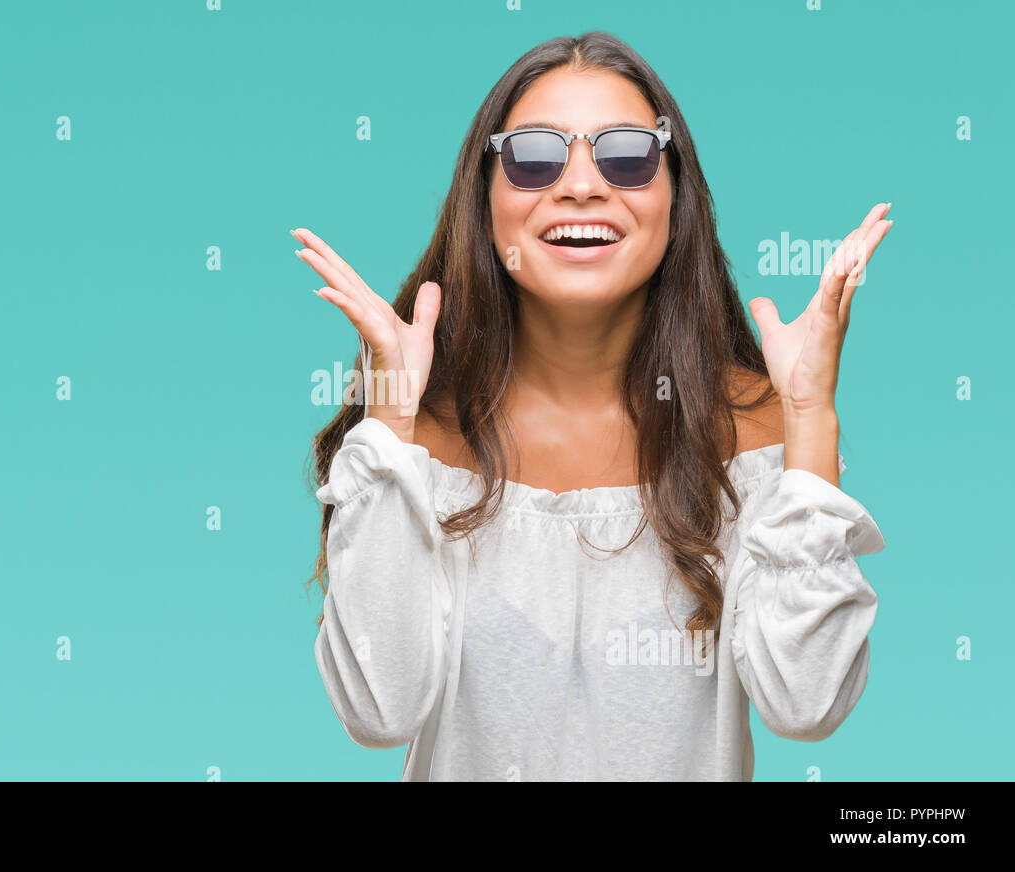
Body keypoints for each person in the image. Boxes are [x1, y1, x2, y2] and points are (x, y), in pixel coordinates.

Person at [296, 31, 892, 781]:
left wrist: (809, 420)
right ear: (484, 198)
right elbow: (379, 713)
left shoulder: (757, 435)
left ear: (676, 195)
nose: (581, 186)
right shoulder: (416, 440)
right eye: (536, 156)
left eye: (627, 154)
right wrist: (388, 420)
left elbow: (806, 707)